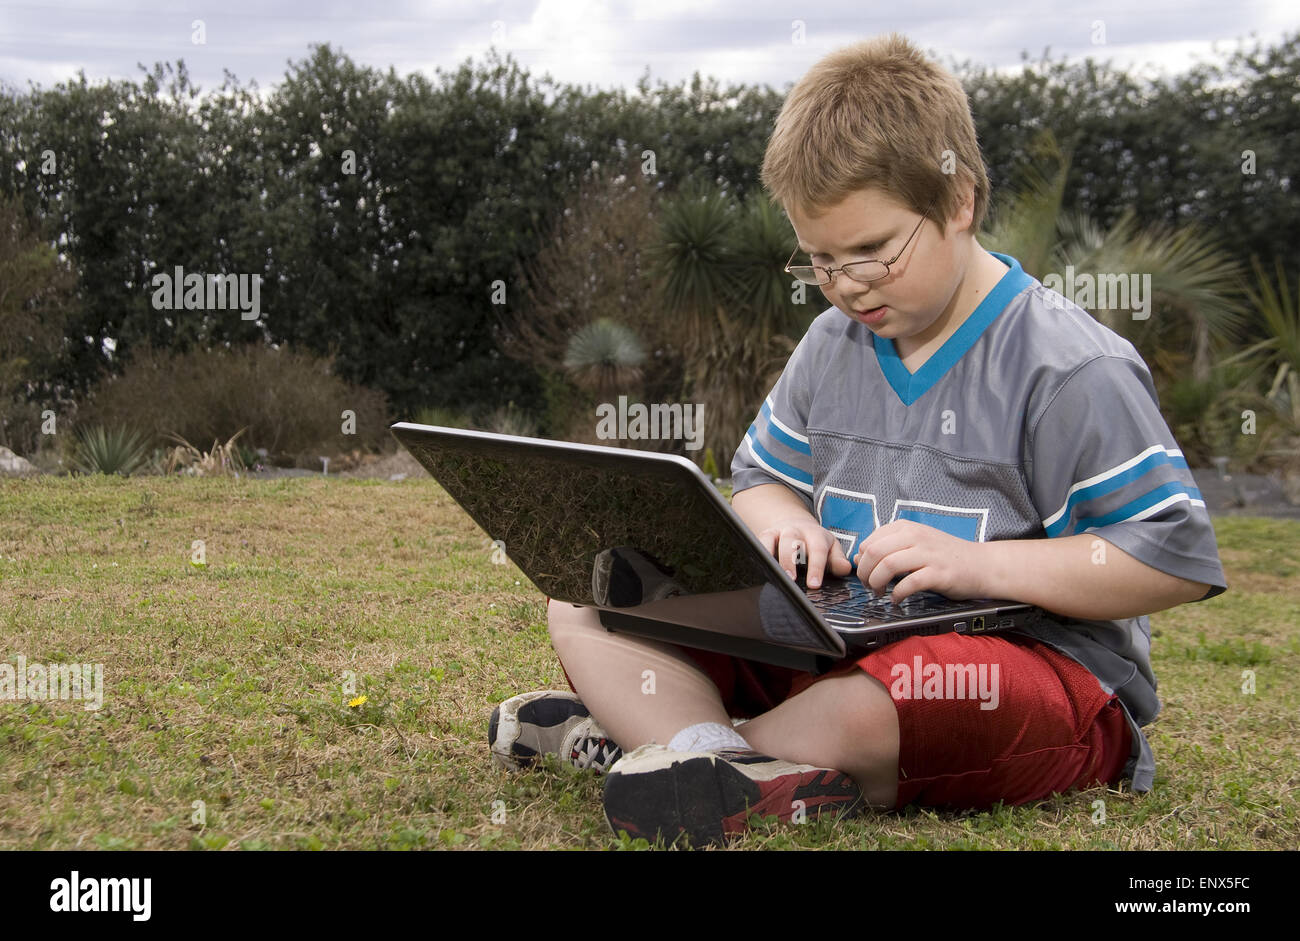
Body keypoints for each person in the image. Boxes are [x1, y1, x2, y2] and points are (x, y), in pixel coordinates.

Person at [490, 32, 1227, 847]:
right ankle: (710, 758)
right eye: (820, 260)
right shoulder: (829, 344)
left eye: (873, 252)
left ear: (958, 203)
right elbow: (762, 479)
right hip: (831, 648)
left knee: (902, 688)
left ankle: (656, 740)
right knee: (590, 599)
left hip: (1025, 678)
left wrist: (980, 565)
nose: (845, 286)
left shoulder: (1068, 365)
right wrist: (782, 520)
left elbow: (1168, 561)